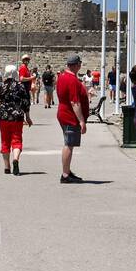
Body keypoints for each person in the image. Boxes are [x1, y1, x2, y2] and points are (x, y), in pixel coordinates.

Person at [56, 54, 89, 183]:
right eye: (79, 64)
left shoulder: (62, 77)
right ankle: (65, 175)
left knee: (69, 143)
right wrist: (81, 120)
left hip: (63, 113)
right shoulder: (71, 80)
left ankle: (67, 171)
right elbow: (75, 102)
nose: (80, 66)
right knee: (69, 144)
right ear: (76, 65)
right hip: (69, 116)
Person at [0, 64, 33, 175]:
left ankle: (7, 167)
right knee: (16, 139)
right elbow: (26, 102)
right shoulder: (20, 86)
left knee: (5, 140)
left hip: (3, 116)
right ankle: (16, 159)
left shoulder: (1, 86)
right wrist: (28, 117)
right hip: (17, 116)